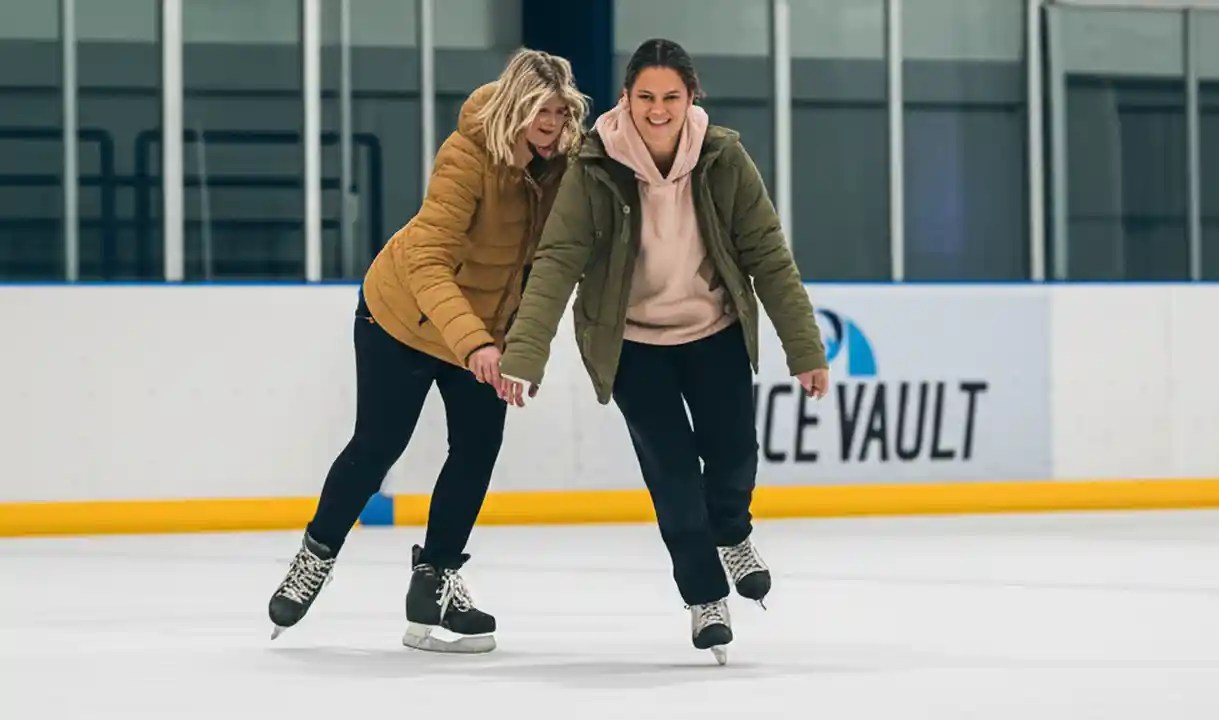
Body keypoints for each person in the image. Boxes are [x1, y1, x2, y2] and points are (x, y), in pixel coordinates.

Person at [498, 38, 829, 663]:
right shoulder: (593, 166)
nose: (657, 109)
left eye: (670, 97)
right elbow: (558, 261)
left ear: (690, 97)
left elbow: (768, 256)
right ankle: (705, 597)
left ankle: (731, 531)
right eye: (645, 97)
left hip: (715, 332)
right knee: (673, 475)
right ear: (626, 99)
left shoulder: (724, 159)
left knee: (734, 457)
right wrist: (525, 353)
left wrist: (804, 348)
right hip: (632, 345)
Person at [266, 48, 588, 654]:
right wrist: (473, 345)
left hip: (484, 331)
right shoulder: (465, 156)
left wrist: (519, 349)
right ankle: (315, 556)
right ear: (514, 106)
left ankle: (436, 575)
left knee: (478, 445)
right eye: (539, 110)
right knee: (379, 442)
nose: (549, 122)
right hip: (403, 316)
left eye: (558, 110)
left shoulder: (558, 169)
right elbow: (426, 261)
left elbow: (546, 267)